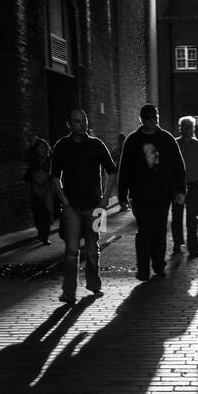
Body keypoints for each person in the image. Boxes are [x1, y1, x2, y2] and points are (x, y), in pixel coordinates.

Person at [50, 108, 116, 303]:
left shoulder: (96, 144)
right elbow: (54, 176)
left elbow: (112, 171)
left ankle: (94, 284)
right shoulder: (61, 146)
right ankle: (69, 292)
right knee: (71, 251)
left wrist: (105, 199)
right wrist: (64, 200)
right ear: (69, 124)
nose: (82, 124)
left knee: (93, 248)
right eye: (77, 121)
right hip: (71, 208)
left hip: (96, 206)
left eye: (84, 120)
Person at [116, 104, 186, 282]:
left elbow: (178, 166)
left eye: (154, 117)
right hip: (140, 194)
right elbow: (124, 169)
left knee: (159, 230)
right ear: (142, 119)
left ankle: (157, 265)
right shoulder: (133, 140)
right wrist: (122, 195)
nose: (151, 121)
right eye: (148, 118)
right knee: (145, 230)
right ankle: (144, 268)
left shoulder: (166, 139)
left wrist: (181, 190)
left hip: (162, 193)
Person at [175, 114, 198, 260]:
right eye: (185, 127)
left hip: (194, 184)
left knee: (191, 219)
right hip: (178, 186)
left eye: (190, 127)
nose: (188, 129)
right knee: (177, 216)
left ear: (193, 128)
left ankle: (193, 248)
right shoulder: (174, 144)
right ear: (180, 128)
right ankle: (178, 243)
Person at [23, 137, 56, 246]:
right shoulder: (33, 160)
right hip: (35, 190)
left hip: (47, 191)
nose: (42, 150)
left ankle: (45, 237)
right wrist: (31, 145)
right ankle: (40, 233)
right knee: (38, 214)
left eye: (44, 148)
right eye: (40, 148)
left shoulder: (50, 160)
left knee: (47, 213)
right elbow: (26, 157)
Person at [115, 134, 128, 208]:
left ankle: (124, 203)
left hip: (122, 171)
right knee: (121, 187)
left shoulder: (124, 149)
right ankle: (123, 203)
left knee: (121, 187)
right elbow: (112, 160)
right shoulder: (117, 150)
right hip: (119, 172)